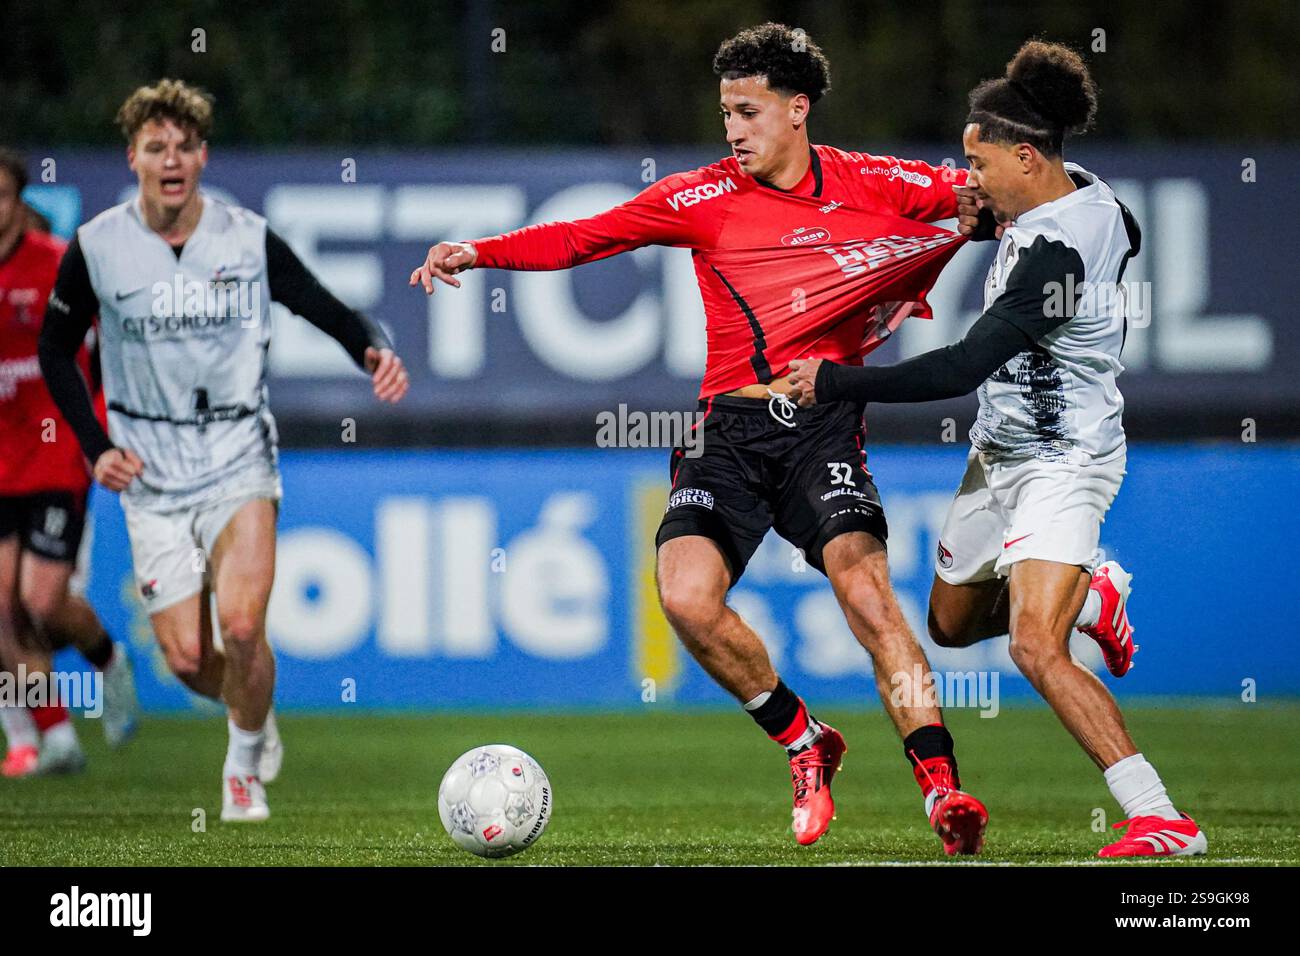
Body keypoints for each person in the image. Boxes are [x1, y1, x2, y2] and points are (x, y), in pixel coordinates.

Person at [412, 23, 990, 852]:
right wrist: (479, 250)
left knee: (867, 598)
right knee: (684, 596)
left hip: (823, 424)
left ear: (798, 110)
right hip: (730, 426)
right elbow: (586, 235)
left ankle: (942, 791)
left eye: (748, 112)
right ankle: (804, 742)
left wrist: (982, 203)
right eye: (725, 112)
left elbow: (987, 192)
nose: (733, 129)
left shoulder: (875, 182)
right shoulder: (702, 197)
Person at [787, 41, 1206, 858]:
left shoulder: (1055, 250)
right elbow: (1128, 229)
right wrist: (992, 225)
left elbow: (963, 365)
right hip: (1000, 453)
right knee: (949, 625)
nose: (967, 179)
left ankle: (1160, 816)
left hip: (1066, 460)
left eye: (977, 164)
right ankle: (1097, 599)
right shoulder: (1089, 196)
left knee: (1031, 645)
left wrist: (835, 383)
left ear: (1025, 156)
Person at [39, 80, 410, 820]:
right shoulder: (97, 247)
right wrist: (93, 444)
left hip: (238, 453)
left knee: (242, 626)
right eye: (156, 146)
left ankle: (241, 770)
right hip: (147, 466)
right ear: (133, 157)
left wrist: (369, 348)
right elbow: (55, 349)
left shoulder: (245, 236)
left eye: (184, 145)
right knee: (185, 659)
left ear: (203, 156)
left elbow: (318, 302)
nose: (171, 158)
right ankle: (254, 710)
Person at [0, 147, 138, 778]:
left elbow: (110, 345)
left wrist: (100, 428)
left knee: (42, 603)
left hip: (55, 451)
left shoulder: (56, 265)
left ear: (18, 202)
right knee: (2, 610)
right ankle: (53, 736)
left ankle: (108, 659)